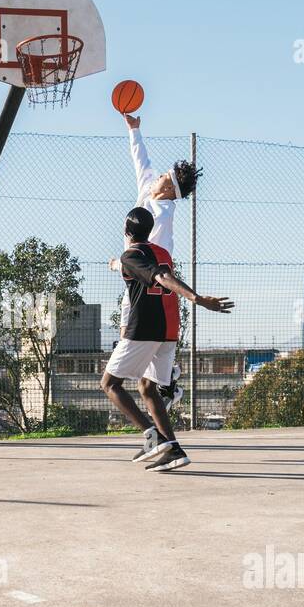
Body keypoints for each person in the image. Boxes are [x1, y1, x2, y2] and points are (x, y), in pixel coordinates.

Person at [102, 207, 233, 472]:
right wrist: (118, 264)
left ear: (126, 232)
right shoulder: (161, 252)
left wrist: (196, 299)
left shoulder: (130, 256)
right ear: (149, 231)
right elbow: (151, 270)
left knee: (110, 384)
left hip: (144, 330)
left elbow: (160, 277)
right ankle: (173, 449)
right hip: (169, 329)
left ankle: (153, 436)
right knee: (148, 387)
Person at [108, 113, 201, 413]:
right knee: (130, 337)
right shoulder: (150, 186)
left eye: (165, 176)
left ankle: (168, 381)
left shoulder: (162, 216)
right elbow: (141, 160)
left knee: (131, 333)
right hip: (137, 274)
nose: (159, 174)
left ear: (171, 188)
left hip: (149, 278)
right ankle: (167, 381)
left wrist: (122, 265)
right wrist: (134, 129)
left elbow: (150, 259)